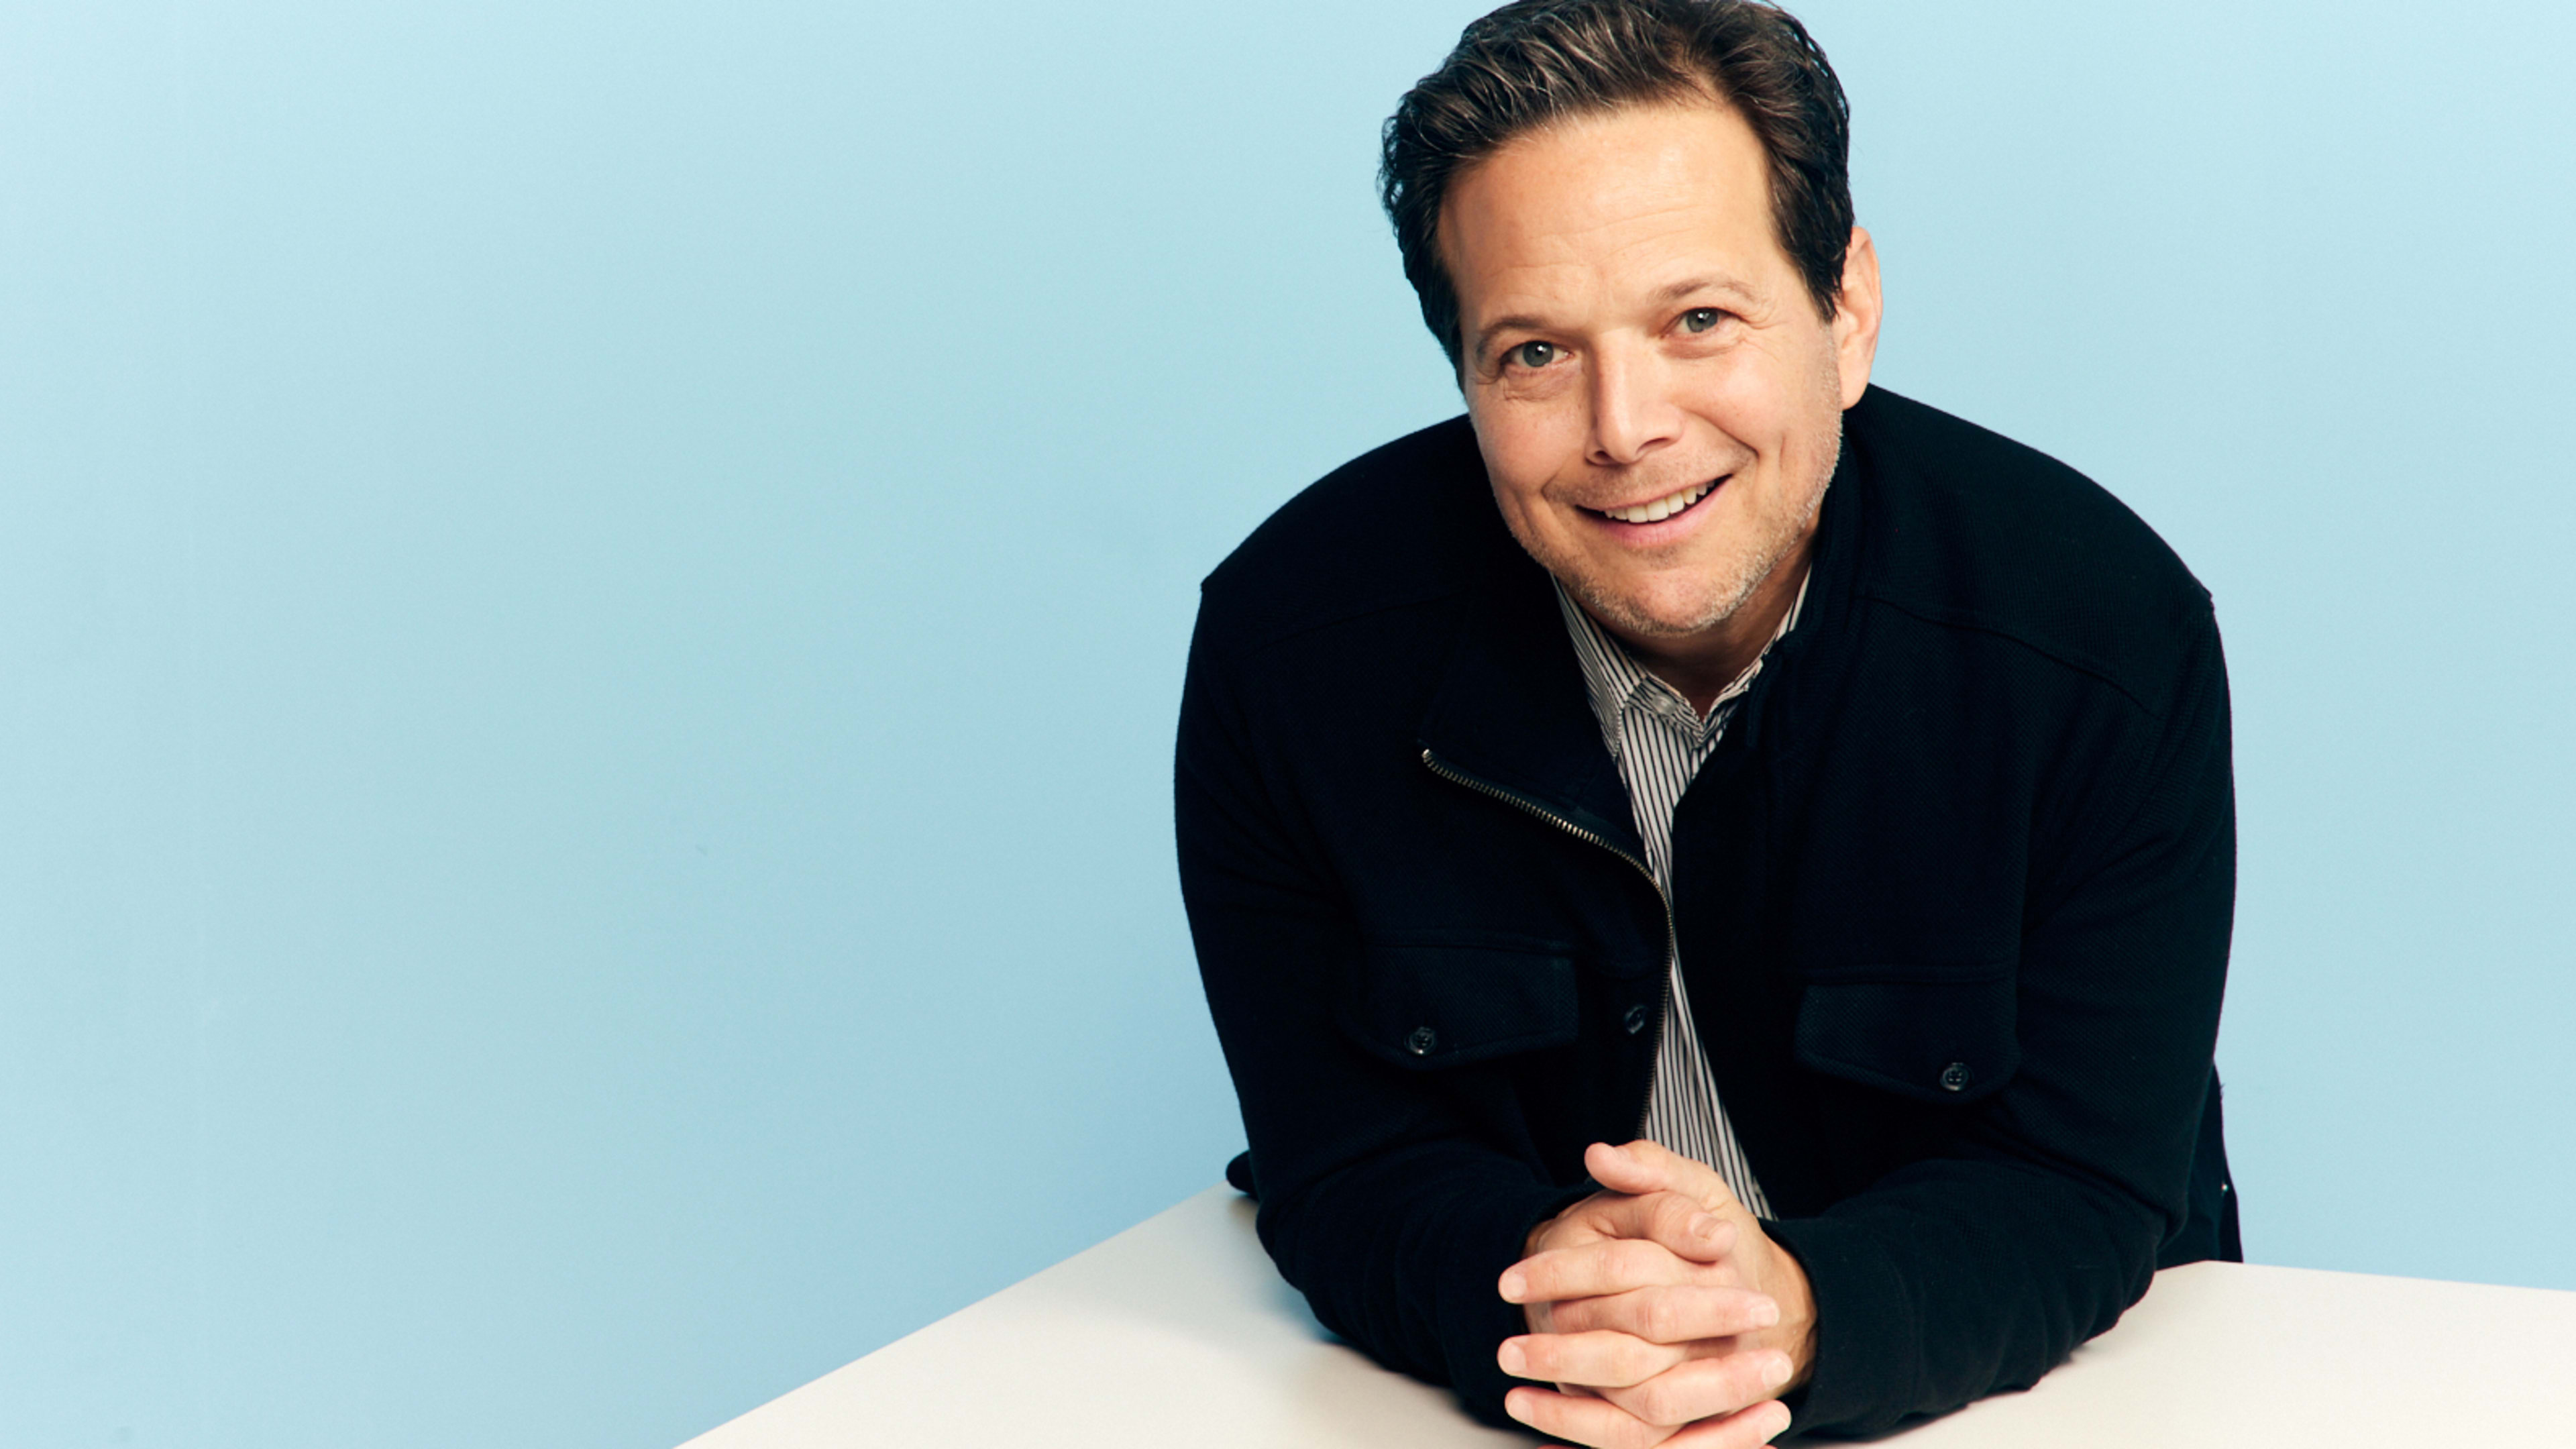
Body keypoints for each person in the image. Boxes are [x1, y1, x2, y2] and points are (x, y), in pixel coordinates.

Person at [1173, 1, 2239, 1442]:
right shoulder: (1288, 650)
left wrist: (1788, 1312)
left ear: (1845, 313)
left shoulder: (2101, 637)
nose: (1627, 428)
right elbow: (1340, 1161)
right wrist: (1550, 1293)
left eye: (1698, 321)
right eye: (1535, 353)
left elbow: (2084, 1177)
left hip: (2026, 1401)